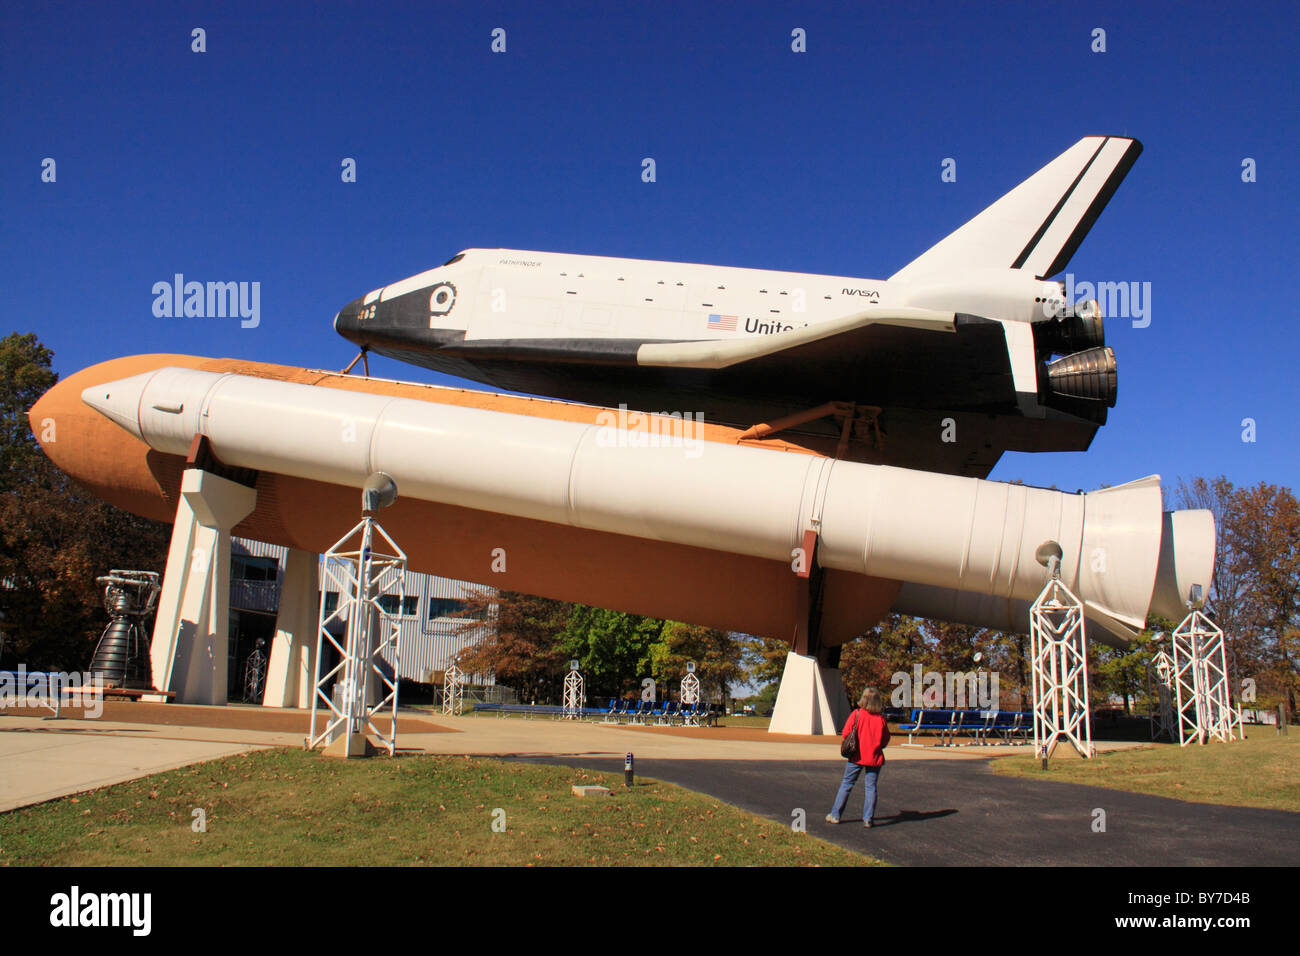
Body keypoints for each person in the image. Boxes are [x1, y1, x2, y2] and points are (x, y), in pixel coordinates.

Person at [827, 688, 890, 827]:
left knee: (847, 784)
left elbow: (845, 733)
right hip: (874, 758)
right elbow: (885, 740)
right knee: (871, 787)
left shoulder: (857, 714)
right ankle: (868, 818)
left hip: (857, 756)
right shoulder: (880, 719)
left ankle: (835, 815)